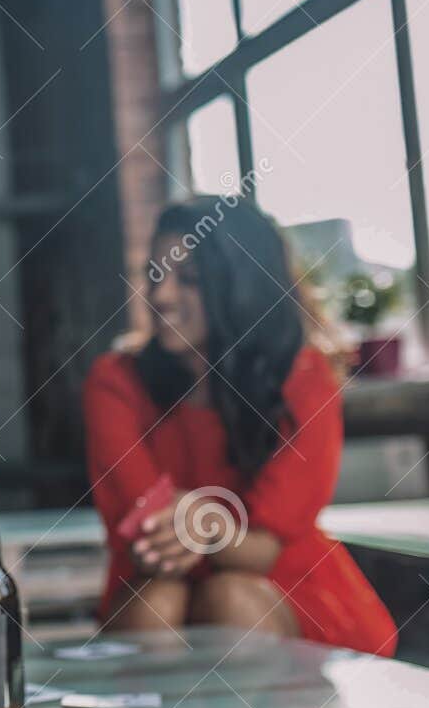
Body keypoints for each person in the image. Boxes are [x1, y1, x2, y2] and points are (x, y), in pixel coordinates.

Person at [83, 198, 398, 656]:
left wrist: (200, 524)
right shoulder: (115, 382)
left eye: (188, 279)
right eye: (155, 275)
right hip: (155, 584)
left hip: (285, 592)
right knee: (160, 601)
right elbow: (149, 540)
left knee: (230, 597)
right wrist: (213, 529)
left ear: (241, 285)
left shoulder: (305, 380)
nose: (160, 296)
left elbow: (264, 551)